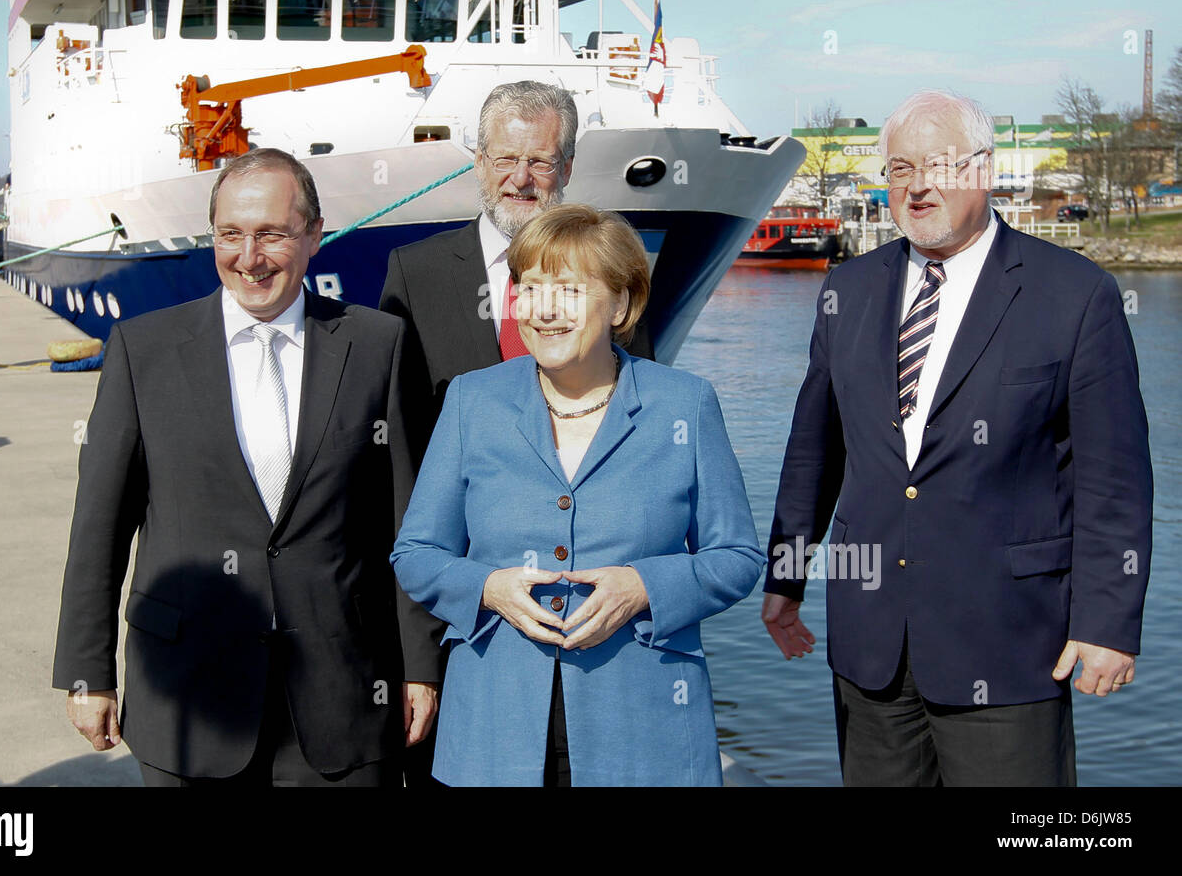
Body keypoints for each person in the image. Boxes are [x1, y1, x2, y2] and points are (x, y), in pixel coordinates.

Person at [761, 89, 1152, 787]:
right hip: (871, 647)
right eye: (900, 168)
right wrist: (786, 575)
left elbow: (1112, 479)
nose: (916, 187)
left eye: (936, 165)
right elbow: (813, 453)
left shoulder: (1074, 293)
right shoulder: (846, 291)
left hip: (1009, 646)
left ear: (983, 169)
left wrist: (1108, 622)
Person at [53, 147, 441, 786]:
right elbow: (99, 524)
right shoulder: (142, 351)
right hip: (188, 697)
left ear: (314, 235)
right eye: (230, 234)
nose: (249, 257)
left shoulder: (377, 345)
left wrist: (420, 664)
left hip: (343, 697)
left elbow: (406, 523)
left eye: (272, 234)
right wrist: (85, 670)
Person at [392, 203, 763, 786]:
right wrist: (487, 588)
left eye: (568, 289)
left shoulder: (683, 403)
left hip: (645, 731)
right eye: (531, 287)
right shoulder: (472, 400)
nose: (543, 309)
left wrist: (644, 587)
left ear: (622, 303)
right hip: (494, 730)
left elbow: (737, 558)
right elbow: (415, 553)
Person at [378, 80, 654, 783]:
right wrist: (416, 653)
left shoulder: (609, 272)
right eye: (505, 158)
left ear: (566, 167)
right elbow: (399, 467)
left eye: (540, 160)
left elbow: (638, 444)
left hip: (592, 620)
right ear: (478, 162)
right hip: (462, 614)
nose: (521, 178)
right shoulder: (415, 275)